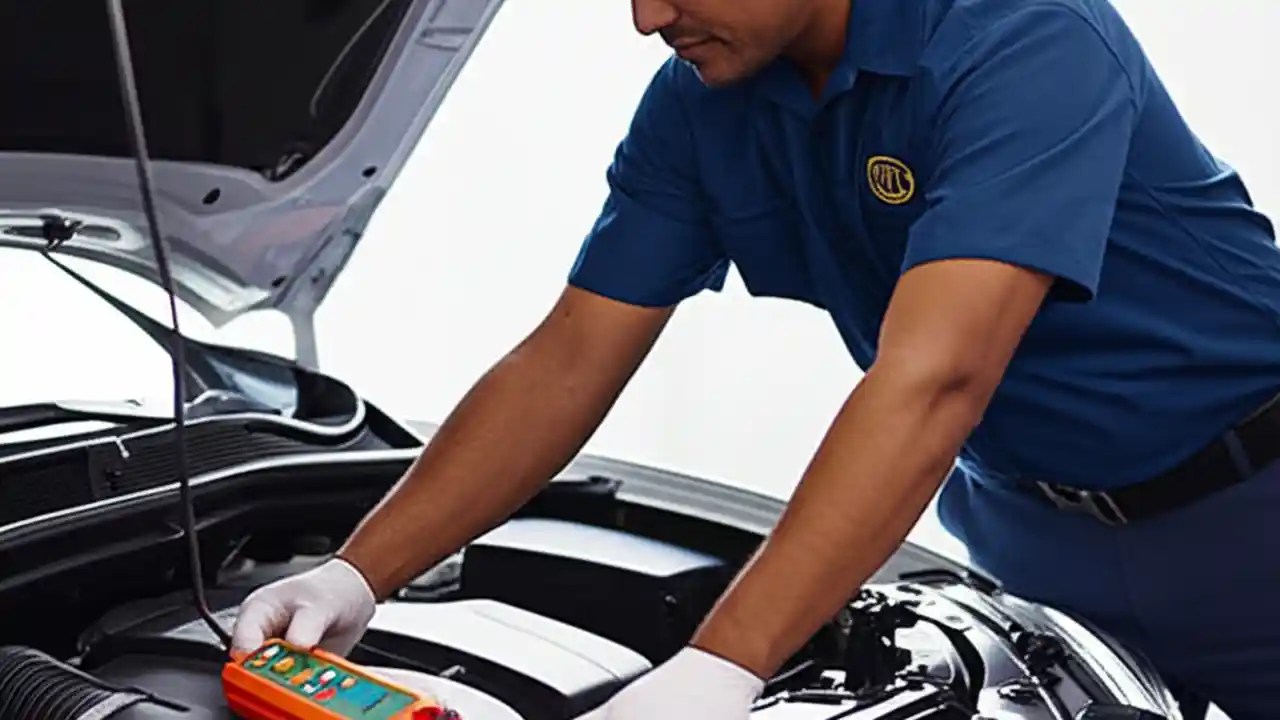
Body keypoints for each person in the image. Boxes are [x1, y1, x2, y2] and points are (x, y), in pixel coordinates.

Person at [230, 0, 1280, 717]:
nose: (642, 15)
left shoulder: (1023, 37)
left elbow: (933, 381)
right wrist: (358, 572)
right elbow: (569, 356)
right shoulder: (698, 104)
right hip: (1025, 532)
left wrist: (722, 663)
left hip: (1252, 520)